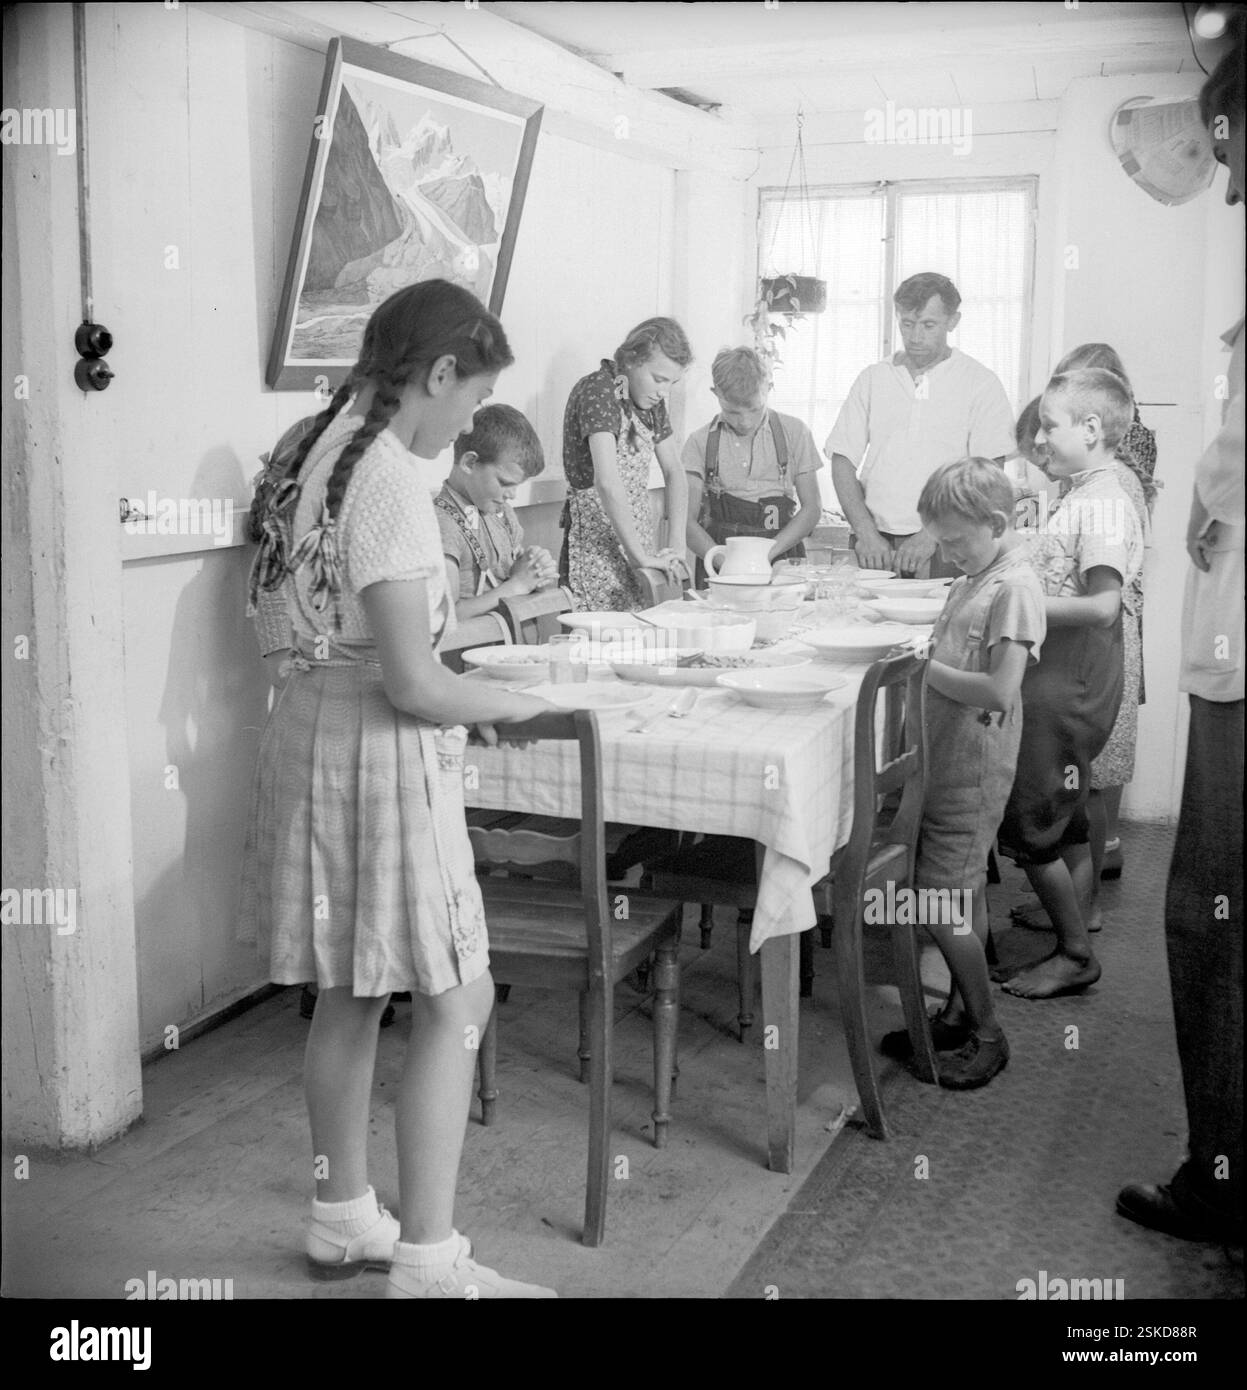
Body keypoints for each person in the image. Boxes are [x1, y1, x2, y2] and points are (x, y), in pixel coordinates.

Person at [239, 278, 557, 1298]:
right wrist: (506, 705)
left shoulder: (315, 442)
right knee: (456, 992)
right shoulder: (387, 480)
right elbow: (415, 678)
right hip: (378, 746)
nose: (469, 418)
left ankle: (341, 1218)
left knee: (349, 984)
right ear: (435, 374)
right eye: (471, 399)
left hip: (314, 726)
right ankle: (426, 1258)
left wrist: (458, 693)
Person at [1117, 37, 1244, 1244]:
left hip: (1236, 676)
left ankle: (1219, 1175)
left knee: (1207, 913)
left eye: (1222, 138)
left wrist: (1209, 515)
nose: (1222, 171)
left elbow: (1225, 483)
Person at [880, 457, 1046, 1088]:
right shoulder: (976, 577)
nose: (945, 552)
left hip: (973, 772)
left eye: (953, 539)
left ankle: (987, 1033)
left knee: (940, 899)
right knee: (961, 893)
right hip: (946, 763)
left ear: (997, 522)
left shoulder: (1015, 590)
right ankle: (954, 1011)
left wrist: (920, 669)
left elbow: (1001, 691)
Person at [995, 369, 1144, 1000]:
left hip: (1068, 683)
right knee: (1067, 813)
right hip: (1065, 677)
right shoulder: (1083, 491)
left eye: (1050, 426)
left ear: (1090, 429)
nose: (1041, 438)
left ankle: (1075, 955)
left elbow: (1104, 605)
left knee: (1033, 821)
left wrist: (1011, 602)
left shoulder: (1104, 501)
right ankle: (1075, 928)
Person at [826, 272, 1016, 578]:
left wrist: (932, 536)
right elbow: (842, 460)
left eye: (929, 325)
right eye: (907, 323)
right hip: (875, 546)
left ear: (953, 321)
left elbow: (988, 474)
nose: (915, 337)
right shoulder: (874, 378)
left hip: (948, 545)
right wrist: (865, 532)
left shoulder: (980, 382)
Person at [559, 317, 691, 610]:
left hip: (637, 541)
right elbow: (606, 481)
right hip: (595, 545)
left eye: (672, 382)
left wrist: (677, 545)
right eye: (659, 379)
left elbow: (675, 472)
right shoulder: (599, 390)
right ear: (632, 360)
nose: (664, 391)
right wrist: (639, 556)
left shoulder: (652, 404)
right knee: (601, 640)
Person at [682, 346, 823, 573]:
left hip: (782, 556)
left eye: (754, 409)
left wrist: (763, 557)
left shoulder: (796, 433)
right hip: (721, 560)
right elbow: (685, 522)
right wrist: (726, 564)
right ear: (715, 393)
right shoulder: (699, 443)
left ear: (769, 389)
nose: (745, 422)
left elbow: (812, 509)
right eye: (733, 412)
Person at [434, 402, 559, 620]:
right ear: (470, 462)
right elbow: (446, 616)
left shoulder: (501, 513)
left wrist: (533, 569)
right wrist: (517, 585)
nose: (512, 495)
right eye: (504, 482)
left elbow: (514, 576)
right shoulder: (442, 525)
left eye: (516, 486)